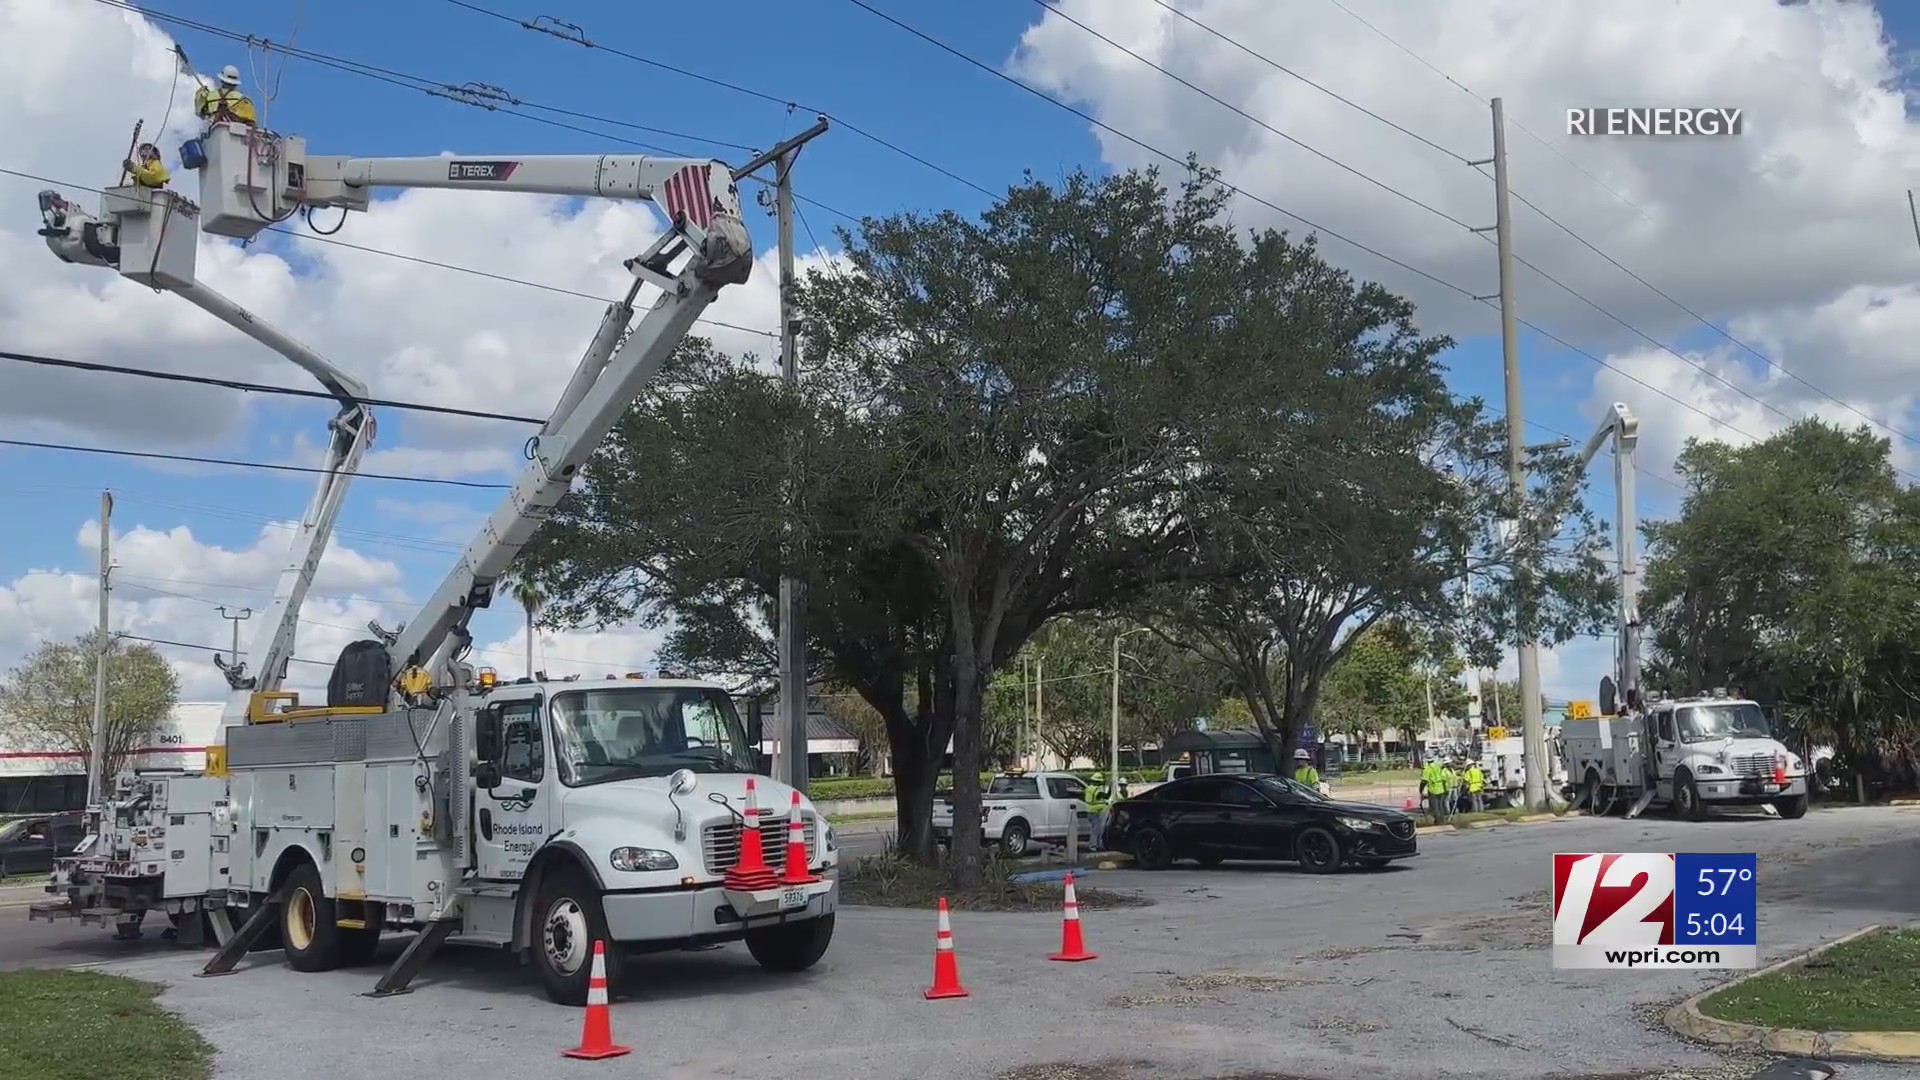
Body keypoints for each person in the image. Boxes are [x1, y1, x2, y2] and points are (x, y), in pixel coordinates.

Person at [1085, 772, 1112, 851]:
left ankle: (1098, 845)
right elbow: (1107, 796)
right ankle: (1093, 846)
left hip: (1089, 810)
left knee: (1096, 829)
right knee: (1097, 830)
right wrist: (1110, 787)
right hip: (1096, 812)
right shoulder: (1097, 790)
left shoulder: (1089, 788)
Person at [1421, 755, 1451, 823]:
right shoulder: (1438, 766)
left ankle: (1438, 820)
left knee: (1435, 807)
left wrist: (1421, 789)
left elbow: (1424, 780)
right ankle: (1442, 819)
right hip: (1441, 788)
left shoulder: (1427, 768)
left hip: (1433, 789)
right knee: (1440, 806)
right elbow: (1443, 778)